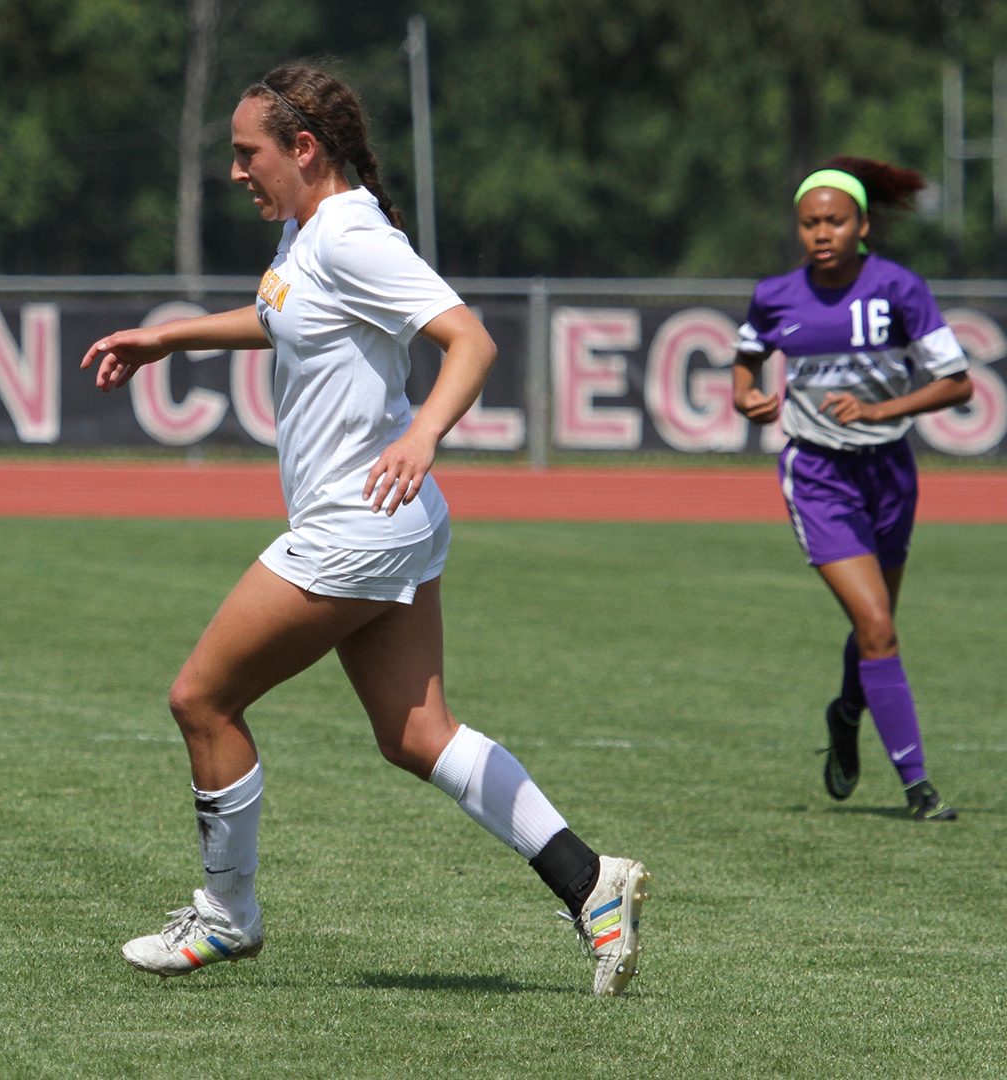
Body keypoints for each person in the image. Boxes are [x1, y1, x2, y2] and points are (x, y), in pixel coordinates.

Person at [80, 62, 651, 996]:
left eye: (247, 152)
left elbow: (470, 341)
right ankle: (592, 882)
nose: (236, 171)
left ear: (304, 148)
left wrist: (423, 433)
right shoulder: (311, 231)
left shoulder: (349, 234)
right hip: (394, 523)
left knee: (202, 700)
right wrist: (168, 337)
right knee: (419, 733)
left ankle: (227, 915)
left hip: (358, 523)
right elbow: (286, 316)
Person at [732, 156, 973, 822]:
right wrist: (746, 397)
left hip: (890, 472)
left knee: (877, 625)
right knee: (876, 625)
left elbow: (958, 383)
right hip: (817, 476)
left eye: (835, 221)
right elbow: (747, 362)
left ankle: (845, 713)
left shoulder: (900, 288)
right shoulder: (776, 295)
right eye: (810, 223)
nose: (821, 233)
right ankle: (919, 789)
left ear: (863, 225)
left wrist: (879, 410)